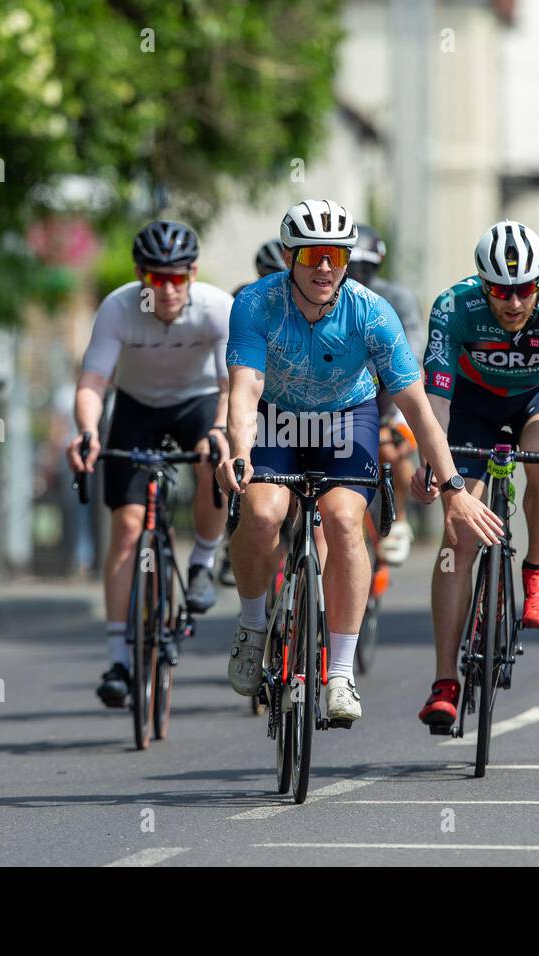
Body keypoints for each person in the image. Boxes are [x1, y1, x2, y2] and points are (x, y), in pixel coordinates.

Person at [218, 199, 502, 725]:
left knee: (346, 521)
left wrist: (455, 487)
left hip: (346, 418)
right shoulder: (256, 303)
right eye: (312, 255)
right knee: (260, 515)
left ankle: (341, 672)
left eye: (337, 255)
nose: (325, 267)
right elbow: (246, 387)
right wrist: (236, 451)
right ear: (289, 257)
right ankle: (254, 626)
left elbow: (416, 405)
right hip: (275, 417)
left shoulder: (372, 310)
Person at [413, 220, 539, 729]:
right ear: (481, 284)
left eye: (522, 290)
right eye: (499, 291)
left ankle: (536, 569)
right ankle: (445, 679)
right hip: (471, 406)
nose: (512, 303)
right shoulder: (454, 307)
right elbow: (437, 402)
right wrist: (432, 466)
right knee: (456, 536)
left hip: (535, 401)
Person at [69, 220, 232, 708]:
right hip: (137, 406)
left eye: (177, 278)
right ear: (141, 277)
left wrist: (220, 433)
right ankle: (119, 658)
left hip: (198, 401)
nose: (167, 290)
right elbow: (92, 384)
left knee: (211, 459)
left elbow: (231, 387)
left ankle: (202, 562)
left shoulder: (216, 308)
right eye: (156, 279)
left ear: (192, 275)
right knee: (126, 527)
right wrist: (88, 432)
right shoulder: (118, 308)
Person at [347, 223, 426, 565]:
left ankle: (399, 521)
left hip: (390, 387)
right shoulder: (327, 297)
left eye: (367, 270)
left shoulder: (396, 299)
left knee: (393, 449)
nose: (359, 277)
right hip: (345, 390)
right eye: (352, 268)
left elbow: (412, 354)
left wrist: (394, 417)